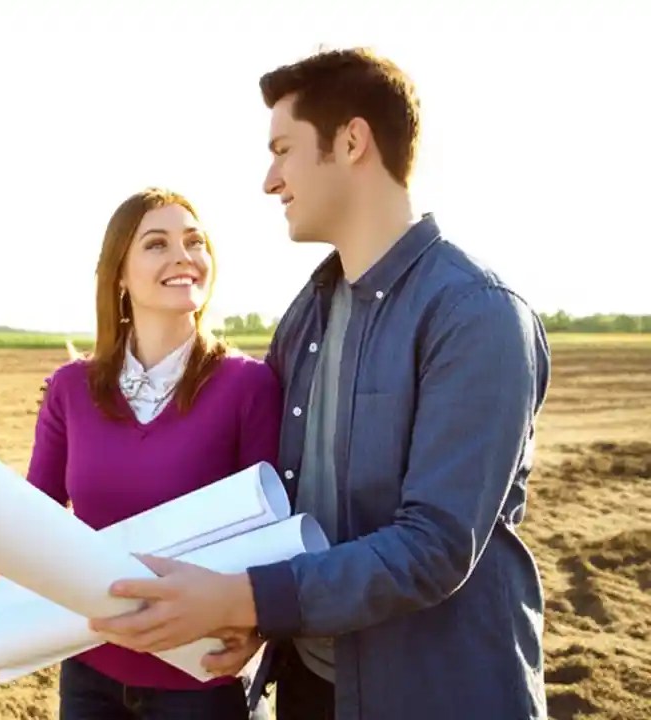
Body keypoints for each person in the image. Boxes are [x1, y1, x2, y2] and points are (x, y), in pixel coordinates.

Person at [86, 48, 552, 720]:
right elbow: (283, 510)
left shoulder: (475, 314)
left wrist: (242, 598)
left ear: (352, 141)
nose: (270, 180)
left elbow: (435, 548)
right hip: (309, 689)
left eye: (283, 149)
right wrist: (254, 615)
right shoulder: (306, 315)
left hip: (438, 694)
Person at [27, 187, 283, 719]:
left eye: (194, 242)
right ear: (119, 274)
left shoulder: (249, 386)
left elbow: (274, 534)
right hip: (90, 671)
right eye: (157, 244)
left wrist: (259, 629)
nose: (182, 257)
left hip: (202, 679)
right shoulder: (71, 389)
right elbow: (36, 523)